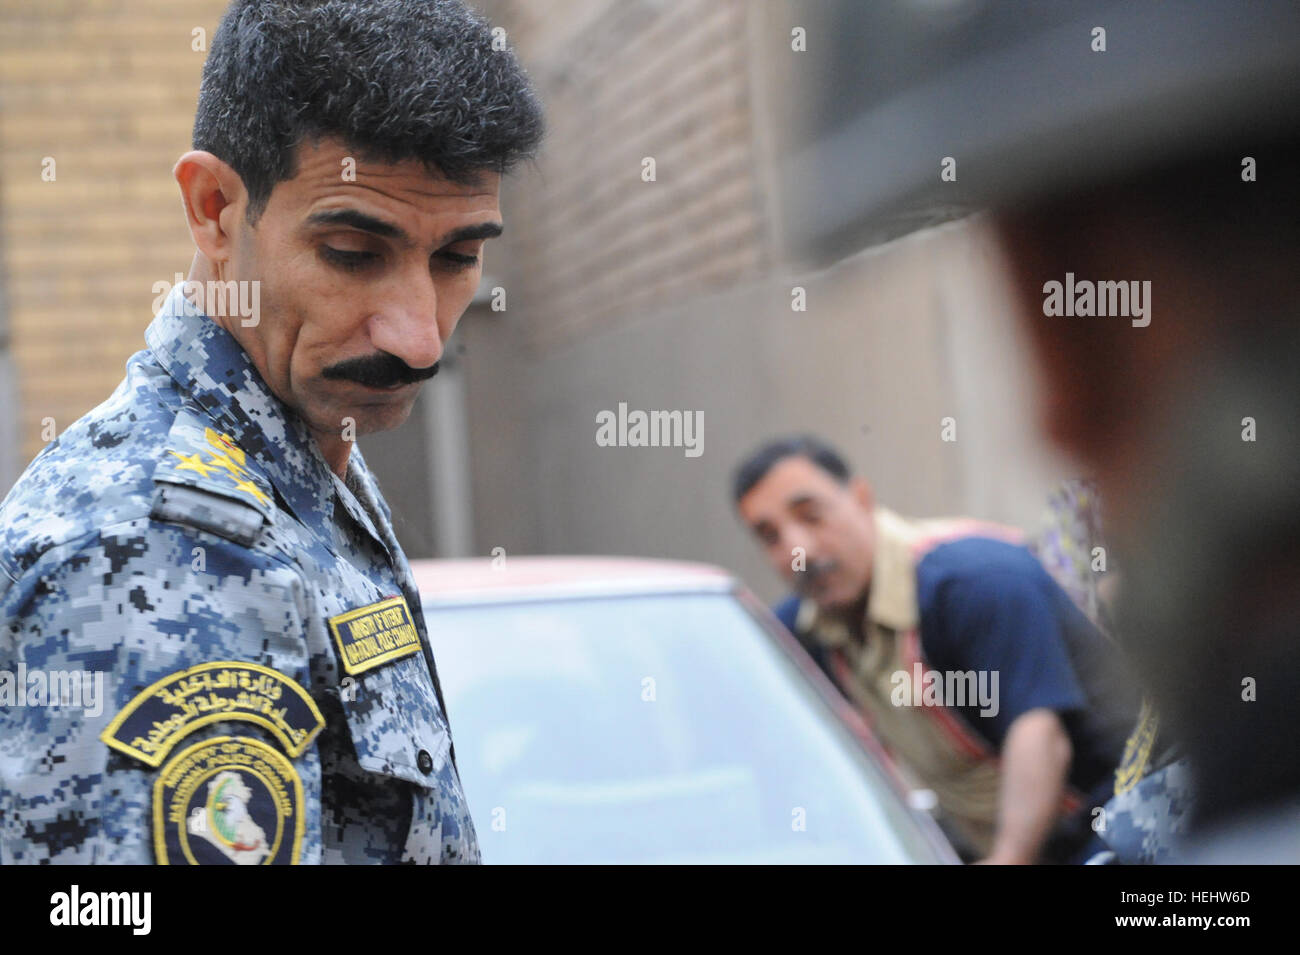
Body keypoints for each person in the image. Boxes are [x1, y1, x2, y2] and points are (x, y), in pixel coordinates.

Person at [0, 0, 543, 864]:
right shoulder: (161, 543)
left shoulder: (298, 450)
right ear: (215, 209)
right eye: (353, 254)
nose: (419, 335)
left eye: (456, 259)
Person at [732, 435, 1139, 863]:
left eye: (812, 516)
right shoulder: (803, 630)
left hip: (1123, 821)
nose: (799, 551)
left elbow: (1039, 733)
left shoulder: (974, 581)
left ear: (860, 497)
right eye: (769, 536)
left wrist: (1010, 859)